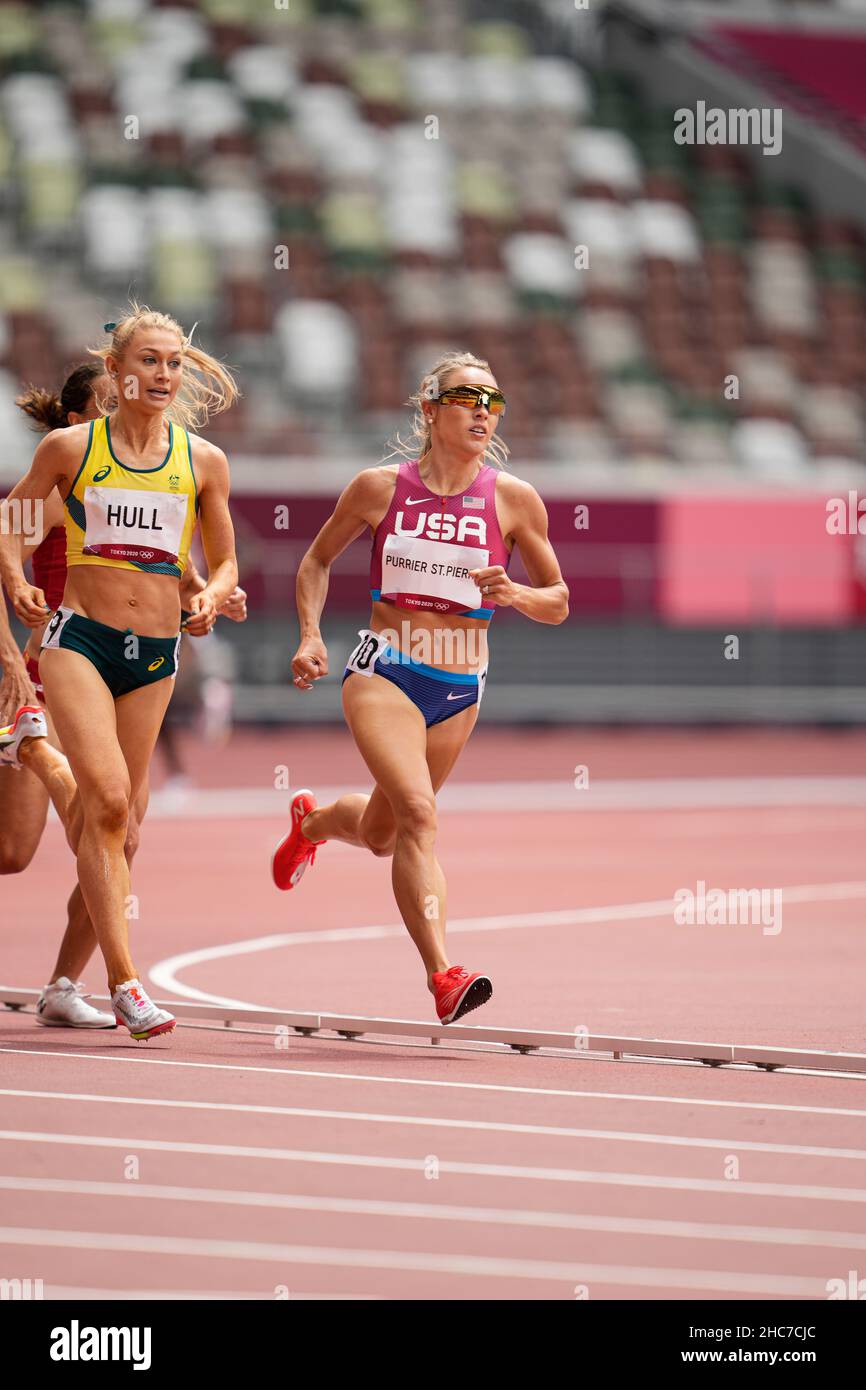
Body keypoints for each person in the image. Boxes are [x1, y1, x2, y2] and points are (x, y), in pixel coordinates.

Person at [272, 351, 569, 1023]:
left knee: (384, 832)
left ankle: (312, 824)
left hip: (460, 687)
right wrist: (311, 635)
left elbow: (559, 601)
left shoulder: (513, 499)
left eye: (494, 401)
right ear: (430, 409)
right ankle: (443, 974)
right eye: (467, 397)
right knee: (421, 815)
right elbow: (316, 560)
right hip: (386, 671)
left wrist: (517, 592)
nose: (483, 411)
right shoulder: (379, 488)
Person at [0, 306, 239, 1040]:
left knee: (124, 829)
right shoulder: (74, 449)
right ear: (116, 371)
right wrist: (16, 581)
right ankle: (127, 982)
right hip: (79, 642)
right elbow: (10, 533)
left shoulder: (202, 462)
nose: (163, 374)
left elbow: (222, 561)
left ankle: (64, 980)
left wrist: (210, 593)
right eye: (148, 361)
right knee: (104, 801)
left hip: (157, 656)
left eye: (174, 362)